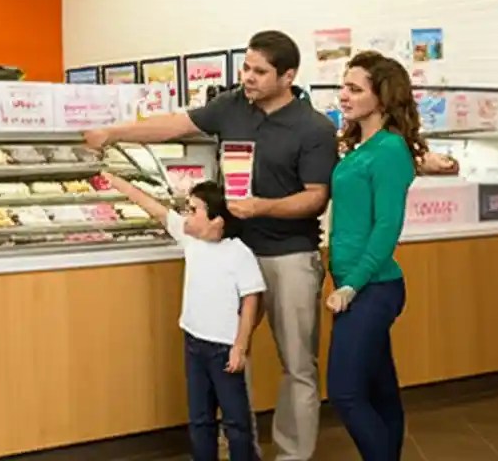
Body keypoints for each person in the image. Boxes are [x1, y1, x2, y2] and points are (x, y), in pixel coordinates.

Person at [86, 30, 337, 460]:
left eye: (260, 71)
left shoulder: (314, 128)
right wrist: (113, 132)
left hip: (289, 255)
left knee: (298, 364)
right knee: (229, 352)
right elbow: (176, 124)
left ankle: (293, 455)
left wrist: (262, 207)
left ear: (288, 76)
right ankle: (241, 448)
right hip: (233, 251)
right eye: (246, 67)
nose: (248, 77)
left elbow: (316, 196)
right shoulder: (232, 105)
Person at [104, 173, 264, 461]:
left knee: (236, 422)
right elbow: (154, 208)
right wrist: (116, 181)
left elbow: (251, 299)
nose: (187, 216)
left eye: (194, 210)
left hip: (224, 348)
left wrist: (240, 345)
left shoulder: (239, 253)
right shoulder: (191, 240)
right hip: (194, 342)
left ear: (216, 219)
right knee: (200, 418)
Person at [325, 51, 423, 460]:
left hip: (373, 287)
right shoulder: (360, 148)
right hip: (356, 284)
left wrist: (351, 285)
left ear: (381, 97)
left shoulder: (389, 150)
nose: (343, 96)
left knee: (345, 392)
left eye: (354, 89)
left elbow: (386, 228)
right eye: (343, 87)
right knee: (380, 392)